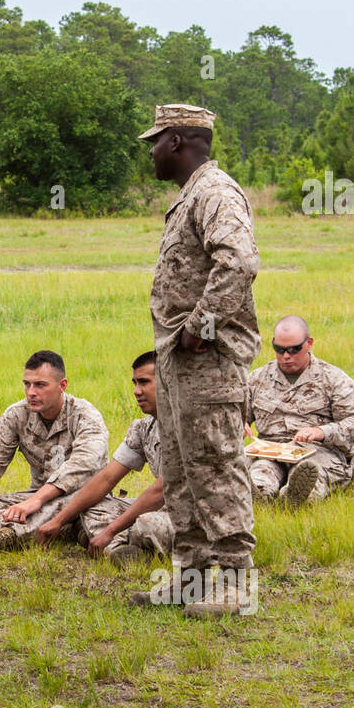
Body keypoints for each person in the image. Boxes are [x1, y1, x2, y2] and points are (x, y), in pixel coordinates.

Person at [137, 103, 260, 618]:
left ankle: (236, 583)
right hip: (178, 363)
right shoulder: (190, 197)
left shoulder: (214, 192)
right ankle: (191, 578)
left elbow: (239, 262)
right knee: (182, 470)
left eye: (156, 141)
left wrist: (198, 329)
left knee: (216, 464)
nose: (151, 152)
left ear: (178, 142)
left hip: (207, 361)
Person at [34, 351, 172, 564]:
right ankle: (120, 552)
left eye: (144, 382)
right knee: (92, 505)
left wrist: (110, 530)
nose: (136, 391)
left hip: (196, 514)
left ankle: (113, 542)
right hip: (164, 508)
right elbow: (106, 478)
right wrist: (59, 521)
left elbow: (159, 492)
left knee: (147, 524)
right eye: (134, 383)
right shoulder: (144, 428)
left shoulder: (190, 428)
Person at [0, 350, 109, 548]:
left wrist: (38, 499)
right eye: (27, 384)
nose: (31, 392)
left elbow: (84, 465)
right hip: (36, 496)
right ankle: (71, 529)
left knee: (63, 506)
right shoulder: (16, 415)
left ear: (62, 385)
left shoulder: (85, 416)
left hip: (84, 497)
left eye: (40, 385)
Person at [247, 315, 354, 506]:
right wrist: (239, 424)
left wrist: (321, 432)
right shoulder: (257, 379)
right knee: (259, 474)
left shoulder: (334, 379)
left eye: (294, 349)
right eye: (279, 350)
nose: (286, 356)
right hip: (269, 450)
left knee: (311, 474)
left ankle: (295, 498)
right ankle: (259, 495)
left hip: (317, 453)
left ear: (309, 343)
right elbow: (235, 415)